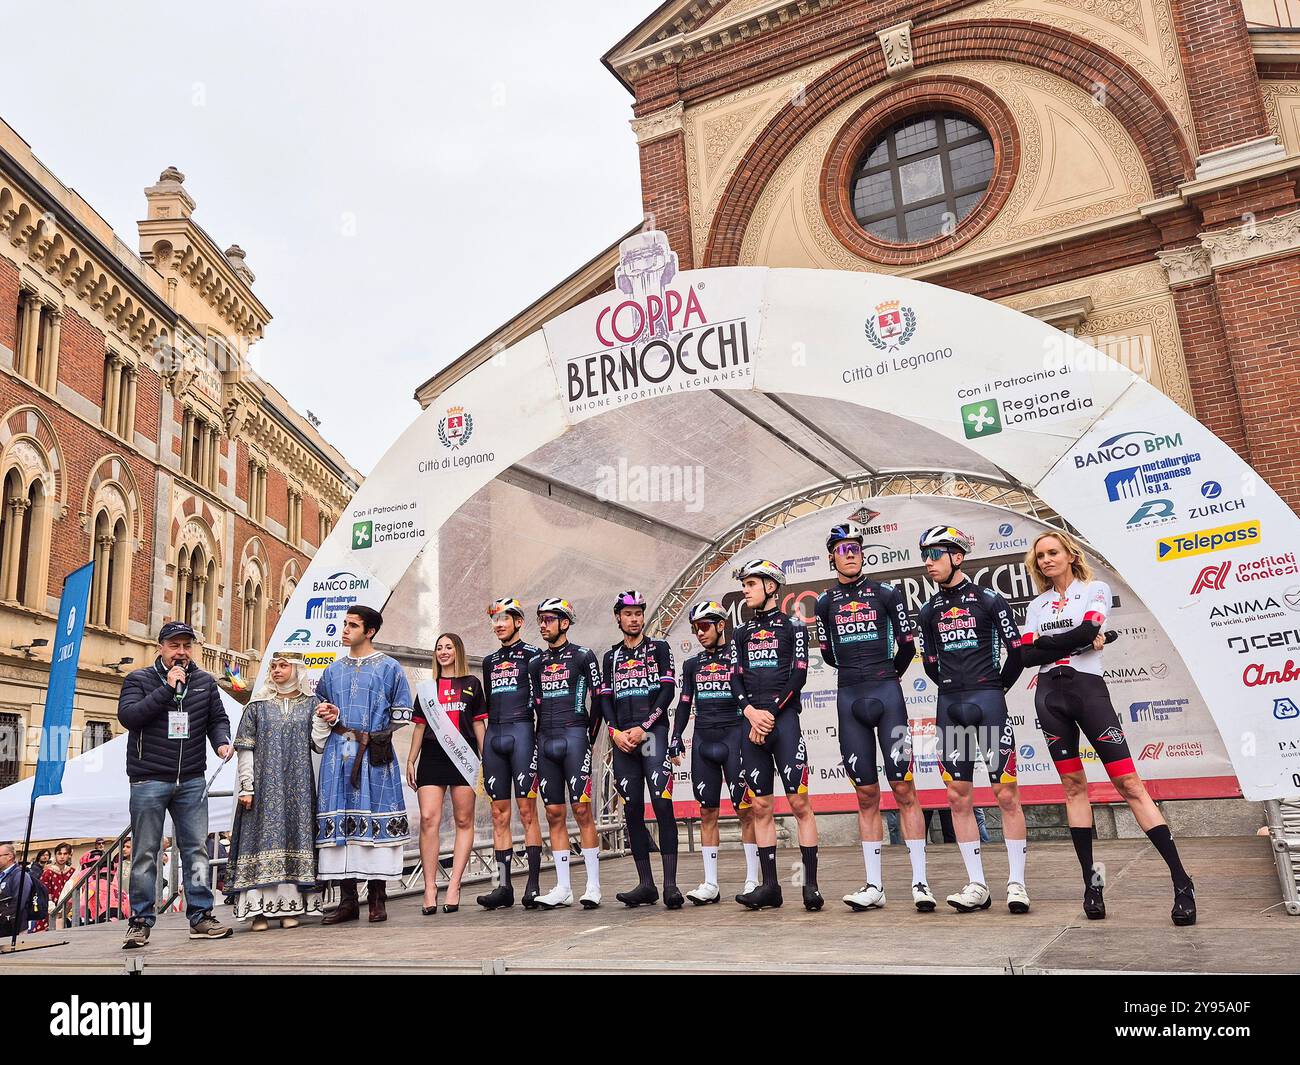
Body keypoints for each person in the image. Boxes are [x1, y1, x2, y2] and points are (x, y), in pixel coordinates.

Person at [1020, 530, 1196, 925]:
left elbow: (1082, 633)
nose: (1046, 560)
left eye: (1053, 552)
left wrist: (1062, 641)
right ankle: (1093, 884)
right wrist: (1078, 641)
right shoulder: (1037, 605)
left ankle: (1182, 882)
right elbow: (1029, 656)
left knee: (1130, 785)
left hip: (1088, 693)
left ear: (1069, 554)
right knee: (1074, 788)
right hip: (1049, 697)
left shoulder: (1094, 589)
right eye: (1040, 556)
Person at [815, 521, 934, 913]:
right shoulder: (824, 603)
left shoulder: (886, 593)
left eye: (855, 548)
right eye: (842, 549)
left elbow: (906, 645)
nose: (850, 554)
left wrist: (886, 676)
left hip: (887, 694)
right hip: (849, 697)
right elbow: (829, 653)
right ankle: (874, 886)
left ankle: (920, 882)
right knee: (865, 795)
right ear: (831, 556)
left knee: (903, 787)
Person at [915, 526, 1028, 915]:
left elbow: (1016, 653)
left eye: (935, 554)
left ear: (957, 556)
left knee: (1006, 794)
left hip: (988, 701)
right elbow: (930, 664)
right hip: (950, 705)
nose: (928, 562)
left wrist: (996, 689)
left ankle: (1017, 883)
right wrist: (954, 687)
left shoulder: (989, 599)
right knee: (957, 796)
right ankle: (977, 884)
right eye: (925, 555)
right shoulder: (928, 611)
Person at [116, 620, 233, 949]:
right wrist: (167, 688)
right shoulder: (138, 679)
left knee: (196, 851)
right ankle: (140, 921)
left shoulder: (205, 683)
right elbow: (130, 717)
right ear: (161, 648)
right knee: (145, 853)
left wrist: (221, 742)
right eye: (174, 646)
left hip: (192, 780)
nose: (181, 653)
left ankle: (200, 916)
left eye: (186, 646)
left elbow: (217, 719)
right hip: (148, 779)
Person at [728, 558, 821, 911]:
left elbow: (799, 676)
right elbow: (734, 677)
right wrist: (751, 713)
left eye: (751, 584)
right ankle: (770, 887)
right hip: (751, 723)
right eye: (744, 584)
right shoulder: (739, 632)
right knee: (760, 806)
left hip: (783, 722)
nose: (745, 590)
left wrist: (770, 713)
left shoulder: (794, 626)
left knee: (799, 803)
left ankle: (809, 885)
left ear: (770, 586)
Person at [314, 605, 413, 925]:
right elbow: (320, 706)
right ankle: (346, 901)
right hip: (338, 753)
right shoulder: (332, 670)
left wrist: (376, 737)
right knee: (341, 822)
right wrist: (327, 713)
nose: (345, 630)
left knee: (375, 822)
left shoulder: (390, 668)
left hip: (374, 754)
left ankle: (377, 896)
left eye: (352, 625)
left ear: (369, 631)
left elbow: (402, 714)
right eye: (344, 624)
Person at [224, 651, 324, 930]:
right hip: (264, 789)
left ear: (297, 669)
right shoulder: (256, 706)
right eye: (274, 666)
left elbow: (318, 744)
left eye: (283, 666)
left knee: (294, 841)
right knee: (259, 845)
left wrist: (324, 721)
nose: (277, 670)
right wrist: (247, 787)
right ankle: (259, 913)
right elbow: (245, 750)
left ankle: (288, 908)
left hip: (299, 788)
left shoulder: (312, 704)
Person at [671, 601, 760, 904]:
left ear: (721, 625)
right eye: (695, 627)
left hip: (734, 737)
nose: (700, 632)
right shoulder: (692, 664)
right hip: (704, 741)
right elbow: (684, 703)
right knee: (706, 811)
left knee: (745, 810)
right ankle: (710, 883)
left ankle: (752, 880)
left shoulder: (738, 656)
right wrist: (675, 737)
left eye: (705, 626)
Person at [527, 598, 607, 910]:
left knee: (582, 810)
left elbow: (598, 700)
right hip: (546, 739)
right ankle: (562, 887)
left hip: (575, 735)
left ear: (565, 622)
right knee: (553, 813)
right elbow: (535, 704)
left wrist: (589, 735)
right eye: (541, 620)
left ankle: (593, 886)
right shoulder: (535, 663)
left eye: (549, 619)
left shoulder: (584, 656)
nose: (543, 625)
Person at [602, 591, 681, 908]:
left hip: (651, 734)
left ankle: (670, 886)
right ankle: (645, 884)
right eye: (628, 613)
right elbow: (605, 699)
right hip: (622, 740)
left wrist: (644, 727)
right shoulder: (611, 657)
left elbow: (667, 691)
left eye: (638, 613)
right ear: (618, 617)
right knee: (632, 809)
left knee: (662, 805)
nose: (634, 619)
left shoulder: (659, 648)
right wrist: (614, 731)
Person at [407, 633, 485, 914]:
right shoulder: (428, 688)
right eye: (439, 648)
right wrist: (411, 760)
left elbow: (478, 725)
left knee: (464, 820)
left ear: (458, 651)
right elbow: (418, 726)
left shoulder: (472, 685)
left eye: (448, 647)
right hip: (432, 755)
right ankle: (430, 886)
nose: (443, 652)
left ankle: (455, 883)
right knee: (429, 818)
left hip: (463, 757)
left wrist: (486, 758)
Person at [476, 598, 544, 910]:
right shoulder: (489, 661)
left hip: (522, 733)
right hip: (495, 735)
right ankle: (503, 886)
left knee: (527, 811)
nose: (499, 623)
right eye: (495, 619)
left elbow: (543, 700)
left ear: (519, 621)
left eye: (506, 618)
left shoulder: (534, 655)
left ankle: (533, 883)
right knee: (497, 814)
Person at [0, 843, 39, 938]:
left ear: (9, 856)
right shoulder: (3, 875)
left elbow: (19, 903)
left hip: (14, 928)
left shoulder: (20, 876)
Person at [36, 843, 75, 932]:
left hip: (69, 911)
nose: (62, 857)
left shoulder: (72, 871)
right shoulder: (48, 873)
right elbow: (44, 893)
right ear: (55, 855)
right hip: (50, 911)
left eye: (65, 854)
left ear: (69, 855)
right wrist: (54, 911)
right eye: (59, 853)